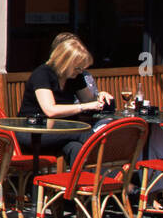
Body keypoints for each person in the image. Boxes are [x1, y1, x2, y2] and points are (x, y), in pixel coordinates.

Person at [17, 35, 109, 164]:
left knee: (76, 148)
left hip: (61, 132)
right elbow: (50, 110)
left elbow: (89, 101)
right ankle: (114, 172)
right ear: (65, 63)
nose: (80, 71)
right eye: (77, 68)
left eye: (82, 68)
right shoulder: (42, 74)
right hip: (34, 131)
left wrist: (100, 96)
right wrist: (84, 107)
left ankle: (83, 183)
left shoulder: (75, 76)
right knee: (83, 133)